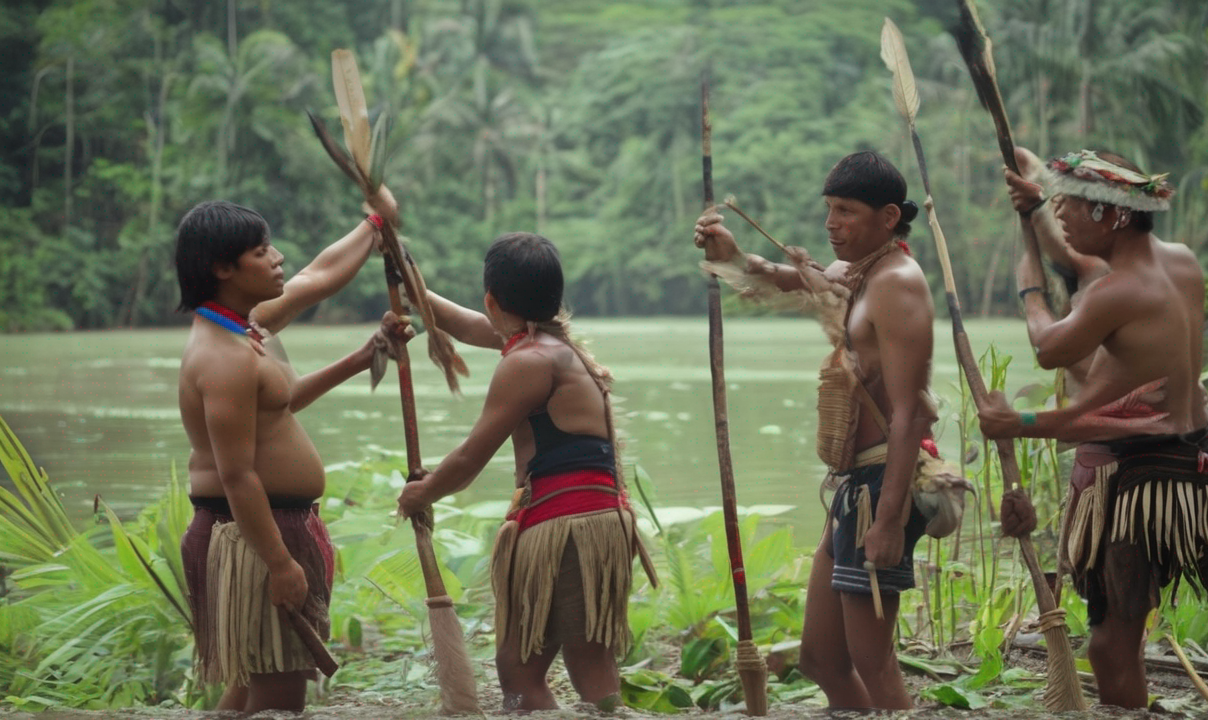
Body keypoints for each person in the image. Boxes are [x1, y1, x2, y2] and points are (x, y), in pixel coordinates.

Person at [977, 149, 1208, 709]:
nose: (1061, 214)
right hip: (1194, 458)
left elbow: (1050, 348)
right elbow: (1080, 260)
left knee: (1109, 646)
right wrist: (1036, 207)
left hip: (1148, 476)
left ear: (1112, 215)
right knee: (1116, 632)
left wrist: (1029, 291)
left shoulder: (1115, 291)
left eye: (1068, 204)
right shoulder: (1178, 260)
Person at [694, 151, 935, 711]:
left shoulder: (898, 283)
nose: (831, 223)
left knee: (874, 663)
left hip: (882, 488)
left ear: (889, 216)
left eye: (846, 211)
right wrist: (730, 256)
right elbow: (782, 276)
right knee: (821, 660)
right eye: (829, 209)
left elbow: (909, 414)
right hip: (855, 490)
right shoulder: (860, 272)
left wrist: (892, 519)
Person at [397, 232, 655, 712]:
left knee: (526, 670)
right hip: (593, 518)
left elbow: (472, 456)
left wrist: (424, 492)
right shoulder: (550, 343)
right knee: (582, 660)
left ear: (493, 299)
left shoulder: (528, 361)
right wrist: (407, 275)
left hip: (568, 525)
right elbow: (462, 322)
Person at [175, 196, 408, 713]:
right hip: (252, 534)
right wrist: (279, 562)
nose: (278, 257)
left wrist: (375, 225)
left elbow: (319, 278)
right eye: (262, 251)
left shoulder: (247, 326)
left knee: (253, 684)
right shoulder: (223, 355)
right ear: (223, 268)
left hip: (273, 525)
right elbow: (237, 476)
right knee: (279, 693)